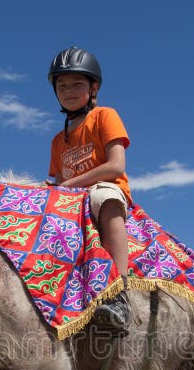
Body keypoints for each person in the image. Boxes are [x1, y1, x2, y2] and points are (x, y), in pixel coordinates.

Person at [47, 46, 132, 332]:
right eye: (62, 85)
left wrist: (69, 185)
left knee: (103, 196)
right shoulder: (59, 140)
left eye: (77, 84)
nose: (68, 91)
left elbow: (116, 166)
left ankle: (119, 294)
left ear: (93, 87)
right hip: (73, 198)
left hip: (105, 189)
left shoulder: (105, 116)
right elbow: (56, 181)